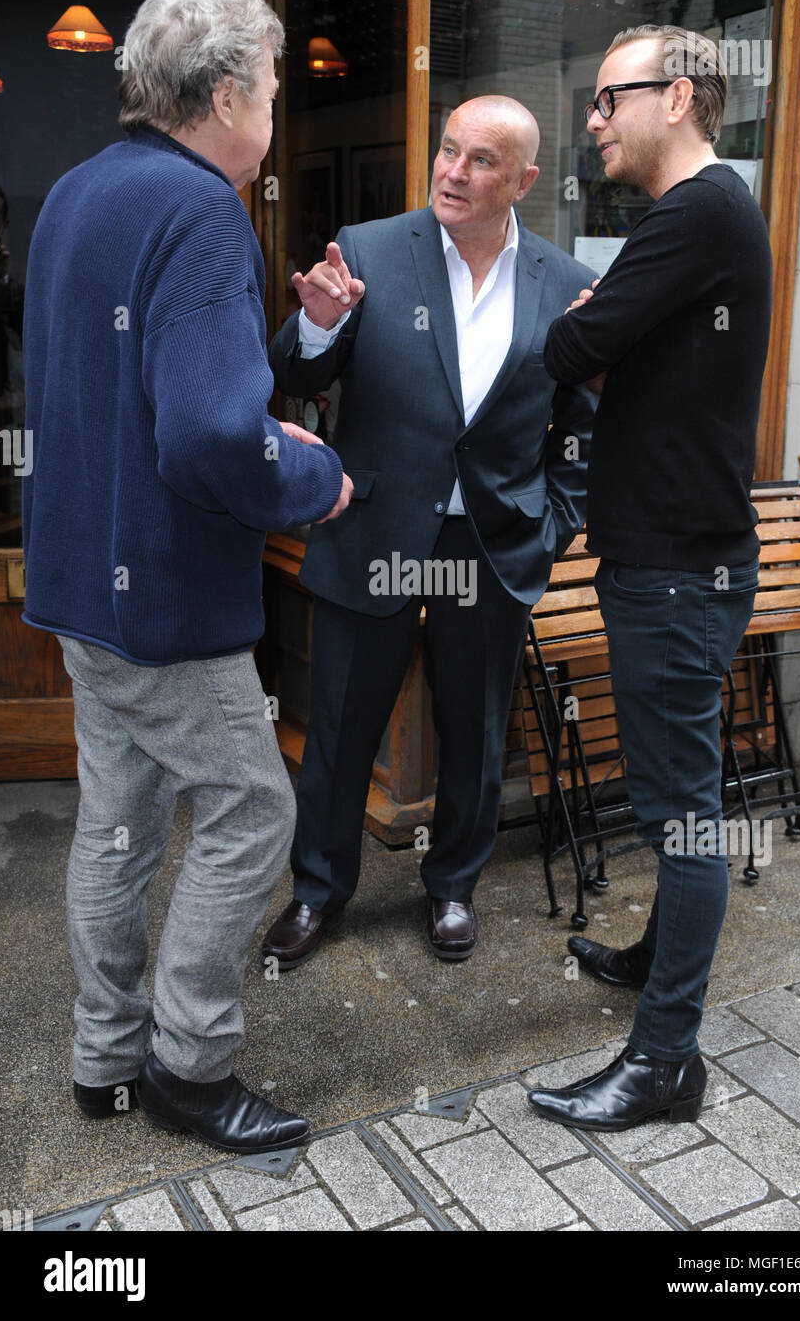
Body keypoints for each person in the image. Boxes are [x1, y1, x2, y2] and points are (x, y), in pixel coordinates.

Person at [21, 0, 351, 1155]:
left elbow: (155, 391)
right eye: (268, 85)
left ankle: (104, 1058)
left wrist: (288, 357)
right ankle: (189, 1067)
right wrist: (315, 480)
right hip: (161, 598)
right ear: (224, 96)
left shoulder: (77, 191)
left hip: (76, 579)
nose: (273, 106)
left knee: (115, 821)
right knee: (257, 814)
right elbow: (212, 438)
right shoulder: (205, 211)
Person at [263, 95, 597, 968]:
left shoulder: (563, 285)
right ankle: (318, 890)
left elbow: (583, 424)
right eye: (449, 151)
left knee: (475, 726)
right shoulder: (370, 250)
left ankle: (452, 885)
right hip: (374, 527)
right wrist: (320, 322)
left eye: (482, 160)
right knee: (340, 722)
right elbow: (295, 375)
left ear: (524, 180)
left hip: (489, 544)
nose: (454, 172)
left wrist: (552, 522)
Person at [528, 25, 772, 1131]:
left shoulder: (698, 211)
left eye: (605, 99)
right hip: (675, 564)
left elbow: (576, 352)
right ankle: (658, 955)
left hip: (677, 572)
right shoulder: (697, 217)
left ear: (676, 97)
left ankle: (667, 1060)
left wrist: (591, 330)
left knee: (686, 818)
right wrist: (601, 329)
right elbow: (609, 342)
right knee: (675, 800)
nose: (593, 120)